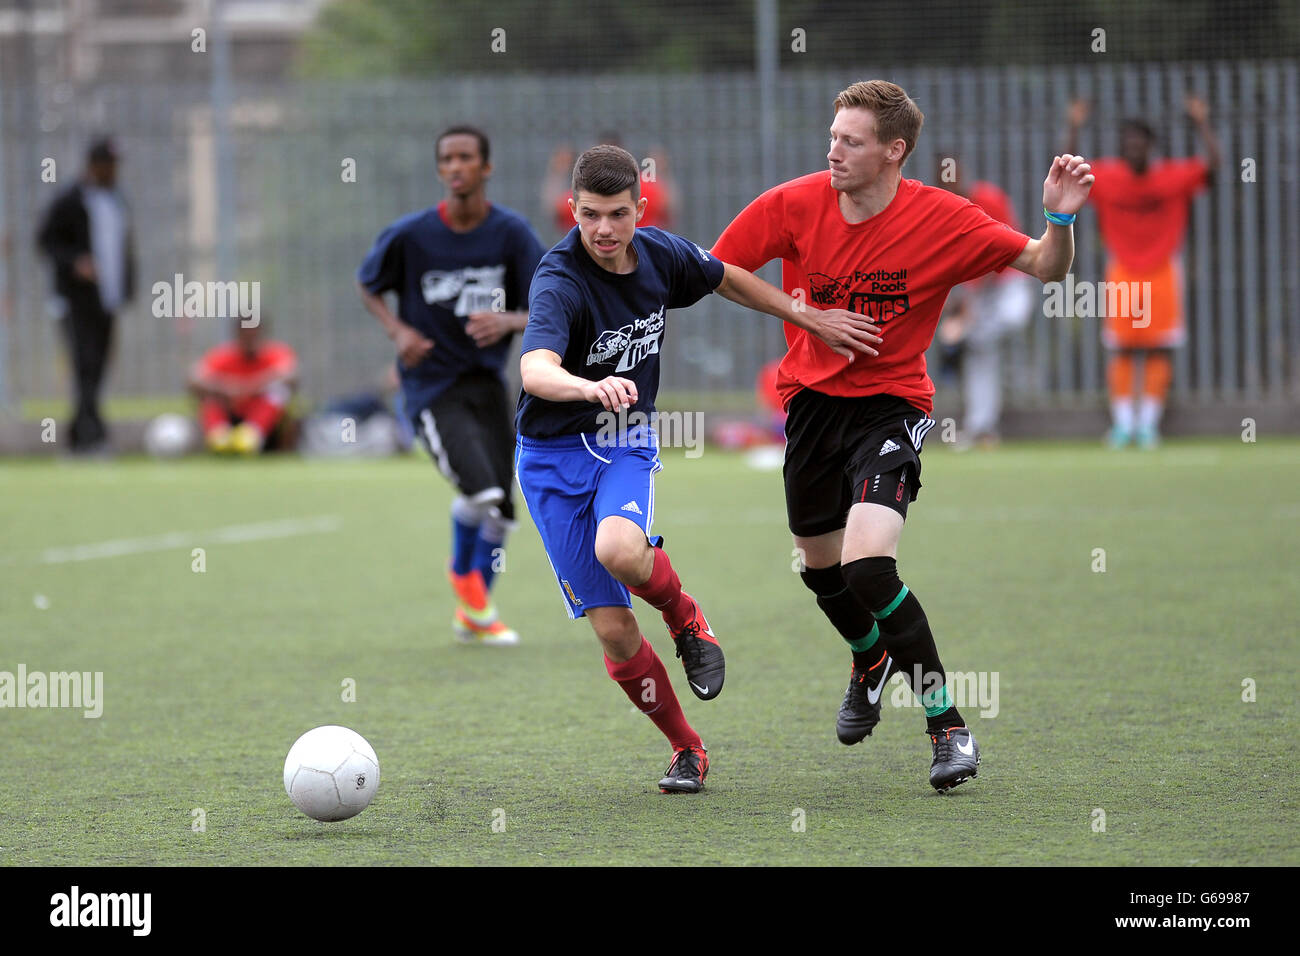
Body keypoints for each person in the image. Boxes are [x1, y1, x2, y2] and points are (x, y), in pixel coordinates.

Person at [712, 80, 1093, 791]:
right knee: (818, 567)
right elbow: (718, 270)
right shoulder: (793, 203)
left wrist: (1057, 219)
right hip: (812, 407)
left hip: (891, 405)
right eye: (832, 137)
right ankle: (868, 659)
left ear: (895, 151)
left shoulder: (946, 219)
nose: (833, 151)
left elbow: (1045, 266)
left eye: (850, 142)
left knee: (868, 567)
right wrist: (808, 315)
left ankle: (948, 725)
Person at [515, 145, 877, 793]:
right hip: (548, 461)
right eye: (590, 215)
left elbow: (728, 276)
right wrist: (583, 386)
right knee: (616, 633)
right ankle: (688, 748)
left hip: (620, 438)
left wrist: (804, 313)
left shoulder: (661, 254)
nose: (603, 229)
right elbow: (533, 369)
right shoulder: (559, 278)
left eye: (617, 214)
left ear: (639, 210)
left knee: (620, 551)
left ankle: (685, 617)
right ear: (571, 210)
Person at [357, 125, 546, 646]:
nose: (456, 166)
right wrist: (398, 331)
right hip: (431, 389)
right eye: (447, 159)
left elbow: (549, 298)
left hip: (487, 384)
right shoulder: (413, 234)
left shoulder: (510, 233)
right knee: (482, 492)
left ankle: (473, 613)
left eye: (466, 158)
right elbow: (368, 283)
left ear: (486, 167)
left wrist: (508, 322)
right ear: (439, 169)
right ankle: (468, 589)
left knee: (503, 513)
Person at [1066, 96, 1220, 448]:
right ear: (1122, 147)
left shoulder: (1172, 175)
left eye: (1140, 141)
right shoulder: (1107, 176)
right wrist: (1074, 126)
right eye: (1128, 141)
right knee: (1122, 349)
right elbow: (1068, 171)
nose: (1134, 147)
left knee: (1158, 349)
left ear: (1150, 146)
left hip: (1163, 269)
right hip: (1122, 269)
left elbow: (1212, 168)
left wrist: (1201, 122)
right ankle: (1123, 425)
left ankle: (1148, 424)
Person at [36, 137, 135, 454]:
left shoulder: (117, 200)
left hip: (107, 299)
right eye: (109, 164)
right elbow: (46, 241)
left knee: (100, 365)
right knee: (84, 363)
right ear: (94, 165)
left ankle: (83, 434)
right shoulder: (70, 199)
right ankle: (90, 435)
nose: (114, 170)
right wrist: (76, 262)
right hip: (75, 300)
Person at [933, 155, 1036, 447]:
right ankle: (982, 428)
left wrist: (969, 304)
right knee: (980, 350)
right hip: (975, 291)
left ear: (962, 173)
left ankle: (1011, 370)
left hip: (1008, 282)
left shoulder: (988, 197)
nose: (947, 183)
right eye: (941, 178)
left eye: (951, 175)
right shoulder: (940, 212)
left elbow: (1001, 251)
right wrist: (959, 301)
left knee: (1011, 320)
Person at [189, 318, 298, 454]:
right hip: (230, 413)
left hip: (264, 423)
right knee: (209, 398)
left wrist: (251, 387)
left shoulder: (276, 353)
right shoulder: (223, 355)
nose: (250, 336)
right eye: (245, 332)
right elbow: (195, 378)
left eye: (254, 332)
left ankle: (249, 437)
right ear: (237, 333)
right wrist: (225, 388)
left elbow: (290, 375)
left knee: (278, 393)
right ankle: (219, 438)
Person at [541, 136, 676, 239]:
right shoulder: (588, 188)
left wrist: (558, 171)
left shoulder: (642, 187)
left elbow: (668, 209)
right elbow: (557, 212)